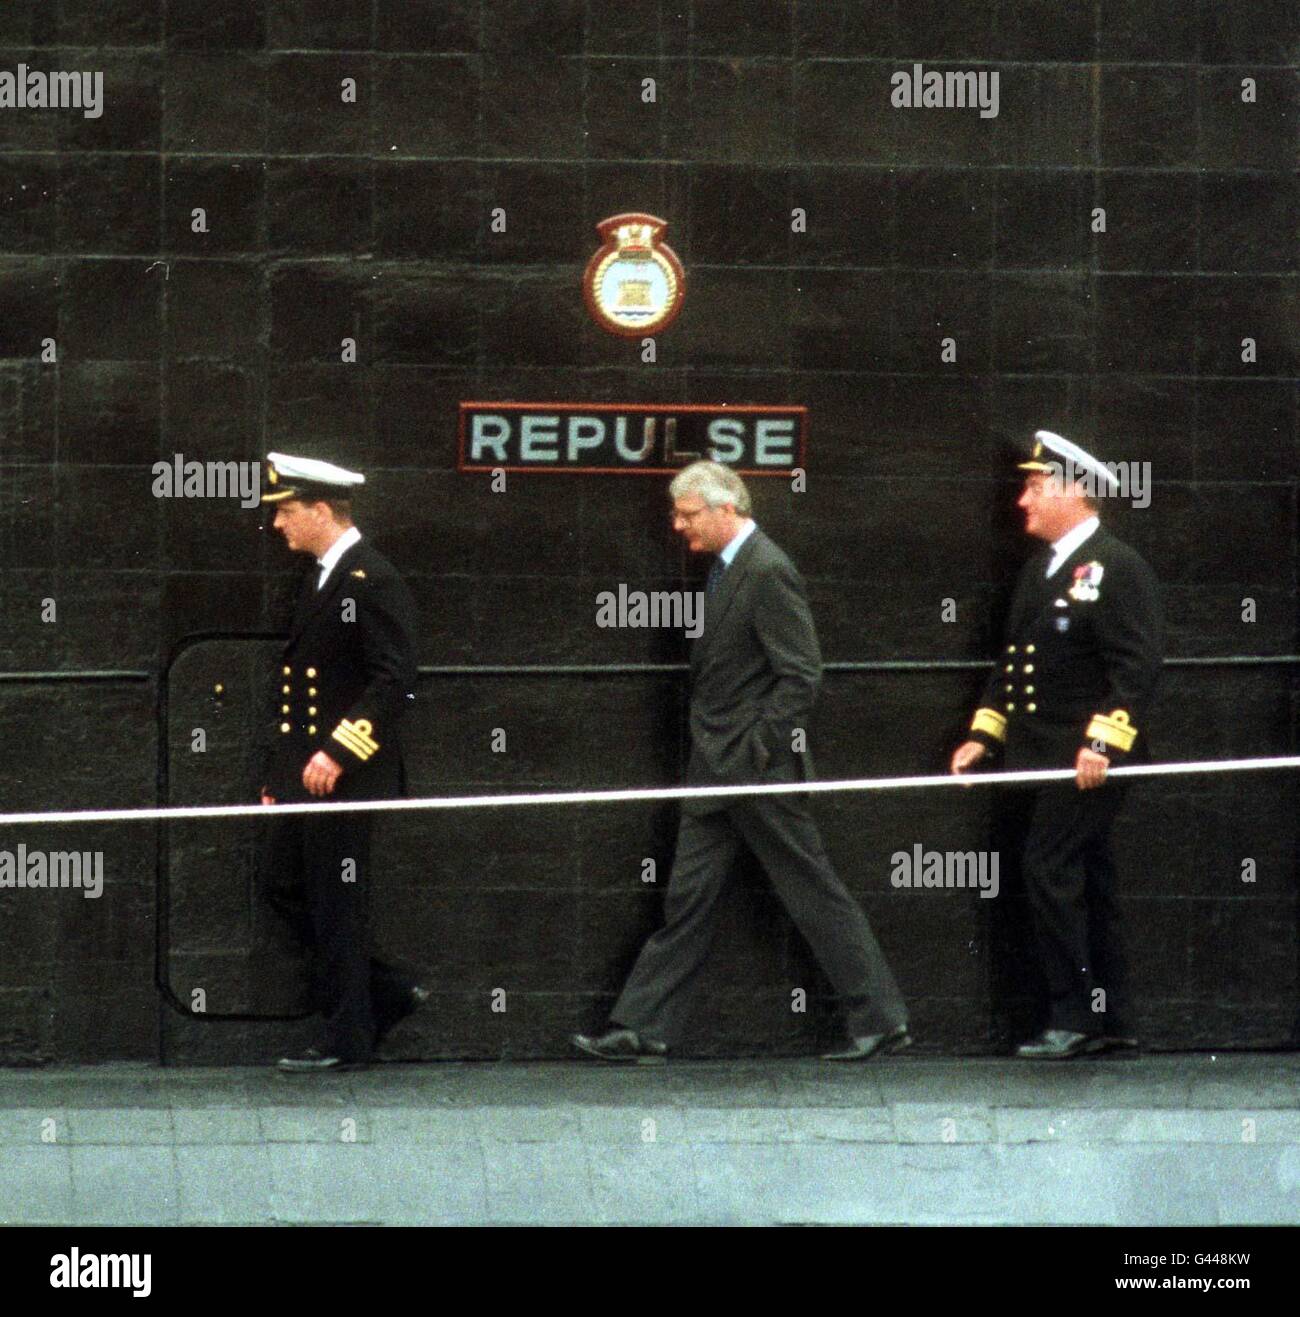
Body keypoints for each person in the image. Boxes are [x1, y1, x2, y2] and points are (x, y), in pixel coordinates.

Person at [573, 460, 909, 1063]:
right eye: (676, 514)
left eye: (688, 514)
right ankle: (640, 1027)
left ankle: (881, 1019)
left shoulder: (768, 571)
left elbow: (801, 674)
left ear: (727, 509)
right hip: (718, 771)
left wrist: (757, 749)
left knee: (812, 892)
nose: (678, 525)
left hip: (755, 774)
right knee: (688, 900)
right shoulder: (731, 570)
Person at [950, 431, 1163, 1059]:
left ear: (1074, 491)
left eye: (1036, 488)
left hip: (1087, 761)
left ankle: (1073, 1017)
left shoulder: (1117, 565)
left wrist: (1103, 743)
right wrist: (983, 735)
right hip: (1039, 757)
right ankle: (1110, 1017)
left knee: (1050, 869)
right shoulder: (1043, 570)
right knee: (1087, 878)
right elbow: (1012, 663)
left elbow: (1137, 666)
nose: (1022, 501)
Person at [258, 453, 425, 1072]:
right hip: (306, 775)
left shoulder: (371, 580)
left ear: (320, 510)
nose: (278, 525)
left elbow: (395, 680)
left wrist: (338, 751)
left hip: (346, 777)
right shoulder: (322, 576)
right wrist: (281, 775)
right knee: (285, 885)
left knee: (337, 900)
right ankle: (385, 994)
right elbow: (298, 688)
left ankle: (349, 1037)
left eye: (286, 511)